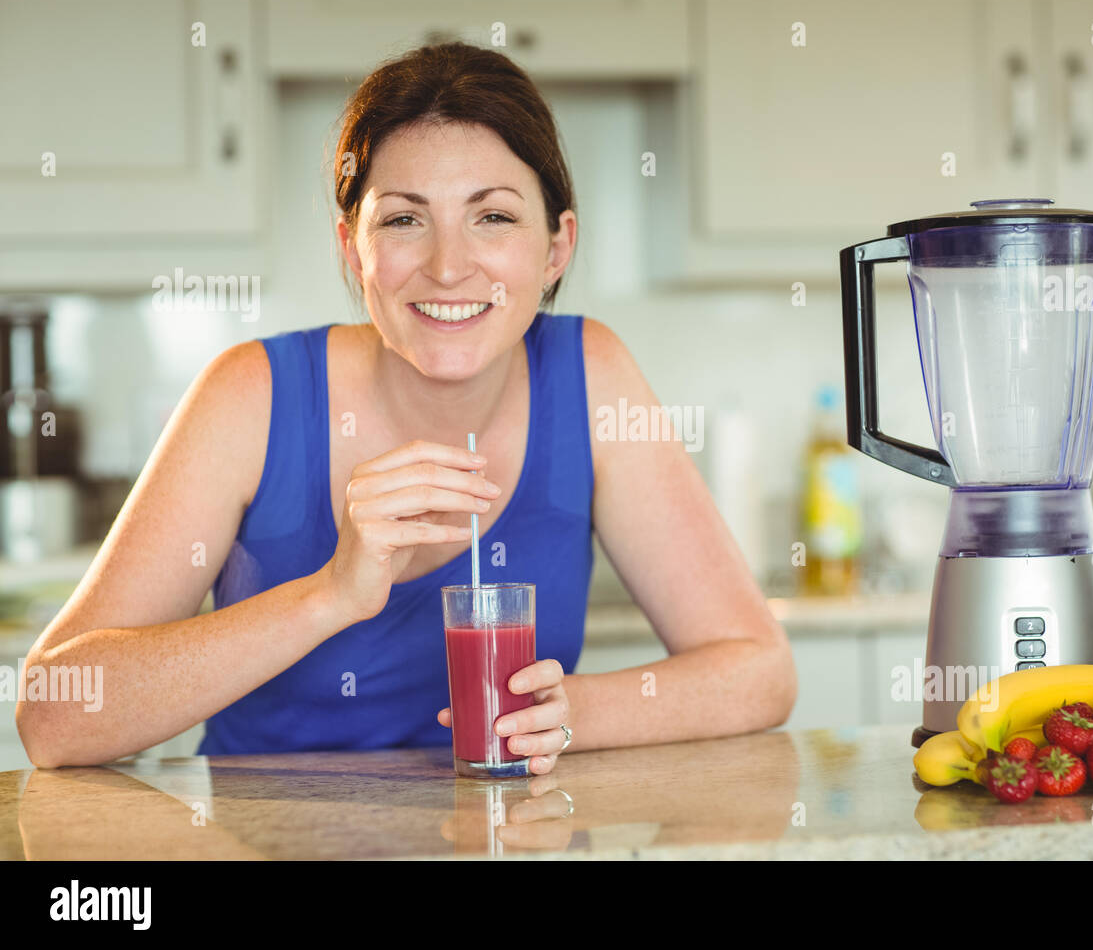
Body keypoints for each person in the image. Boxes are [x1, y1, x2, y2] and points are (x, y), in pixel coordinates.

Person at [17, 42, 797, 772]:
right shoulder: (251, 395)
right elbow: (53, 717)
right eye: (402, 219)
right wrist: (329, 595)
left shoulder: (591, 374)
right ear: (353, 249)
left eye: (492, 216)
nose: (449, 266)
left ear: (557, 247)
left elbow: (758, 668)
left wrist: (569, 715)